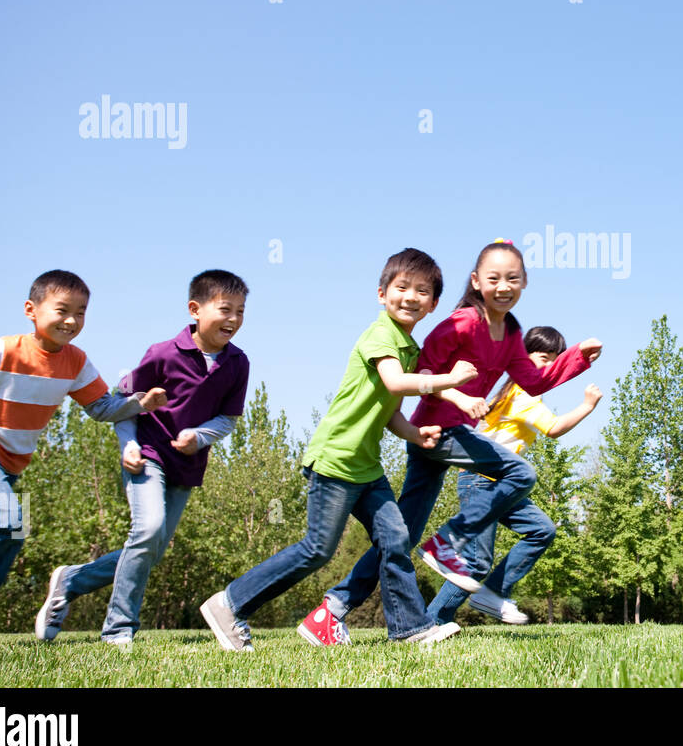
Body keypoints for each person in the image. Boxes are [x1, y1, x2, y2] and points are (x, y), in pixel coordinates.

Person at [307, 240, 601, 641]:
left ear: (524, 283)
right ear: (477, 282)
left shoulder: (512, 334)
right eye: (493, 278)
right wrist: (460, 396)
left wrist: (577, 358)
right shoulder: (462, 322)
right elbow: (425, 370)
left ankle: (333, 609)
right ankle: (450, 540)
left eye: (512, 278)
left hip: (440, 438)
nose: (503, 286)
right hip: (437, 429)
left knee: (402, 537)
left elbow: (534, 381)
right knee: (519, 471)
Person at [199, 248, 475, 651]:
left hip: (366, 465)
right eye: (401, 288)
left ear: (432, 304)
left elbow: (391, 411)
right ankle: (229, 603)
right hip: (336, 459)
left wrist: (415, 435)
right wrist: (449, 380)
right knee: (316, 549)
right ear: (382, 294)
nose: (410, 297)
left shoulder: (409, 347)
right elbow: (396, 382)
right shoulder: (381, 334)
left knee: (396, 537)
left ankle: (409, 627)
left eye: (422, 291)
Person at [0, 270, 166, 647]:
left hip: (10, 464)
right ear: (31, 310)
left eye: (81, 312)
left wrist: (139, 403)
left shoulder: (75, 362)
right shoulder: (3, 350)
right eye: (62, 310)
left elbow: (101, 408)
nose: (72, 320)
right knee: (6, 523)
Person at [34, 270, 251, 646]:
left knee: (152, 549)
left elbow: (228, 419)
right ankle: (118, 629)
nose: (233, 319)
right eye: (225, 309)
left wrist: (200, 436)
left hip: (187, 465)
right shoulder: (163, 353)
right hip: (146, 454)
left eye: (241, 311)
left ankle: (71, 580)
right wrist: (128, 445)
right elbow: (123, 404)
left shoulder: (238, 363)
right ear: (195, 310)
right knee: (148, 531)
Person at [426, 325, 601, 626]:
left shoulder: (516, 392)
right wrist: (587, 406)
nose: (547, 367)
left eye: (553, 361)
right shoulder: (521, 394)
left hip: (503, 483)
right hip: (482, 480)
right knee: (477, 561)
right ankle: (431, 621)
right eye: (543, 358)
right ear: (523, 356)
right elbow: (554, 428)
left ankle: (493, 591)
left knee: (542, 529)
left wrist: (575, 360)